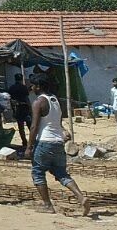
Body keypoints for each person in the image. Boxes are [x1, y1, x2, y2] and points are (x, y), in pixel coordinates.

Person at [24, 75, 89, 216]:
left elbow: (34, 126)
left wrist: (29, 147)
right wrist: (63, 132)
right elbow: (57, 122)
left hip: (44, 143)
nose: (32, 88)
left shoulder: (38, 102)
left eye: (33, 86)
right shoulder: (55, 100)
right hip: (57, 143)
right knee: (61, 174)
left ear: (39, 86)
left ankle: (48, 205)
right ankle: (80, 196)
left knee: (37, 172)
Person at [7, 73, 32, 146]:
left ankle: (24, 142)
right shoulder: (23, 87)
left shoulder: (12, 88)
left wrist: (12, 110)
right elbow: (27, 99)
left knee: (21, 127)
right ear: (21, 79)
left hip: (17, 108)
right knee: (30, 125)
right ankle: (33, 141)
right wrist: (30, 108)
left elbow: (10, 99)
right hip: (25, 108)